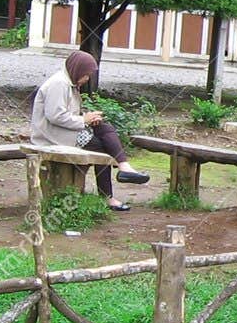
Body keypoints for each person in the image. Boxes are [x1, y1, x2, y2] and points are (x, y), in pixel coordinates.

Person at [29, 50, 150, 210]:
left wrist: (88, 118)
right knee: (102, 148)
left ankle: (124, 167)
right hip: (50, 137)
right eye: (85, 75)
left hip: (64, 132)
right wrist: (83, 120)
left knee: (104, 127)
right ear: (76, 69)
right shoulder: (59, 84)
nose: (87, 79)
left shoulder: (69, 83)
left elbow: (67, 114)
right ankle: (108, 196)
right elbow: (55, 116)